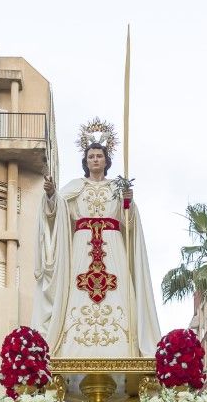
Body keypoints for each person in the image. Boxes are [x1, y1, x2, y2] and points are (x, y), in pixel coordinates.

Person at [34, 128, 161, 358]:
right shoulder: (75, 187)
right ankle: (73, 345)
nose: (95, 159)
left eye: (99, 156)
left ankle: (124, 346)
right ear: (86, 161)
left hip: (112, 245)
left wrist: (128, 203)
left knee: (120, 290)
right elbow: (56, 212)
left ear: (106, 160)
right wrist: (52, 194)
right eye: (91, 156)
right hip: (82, 246)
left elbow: (128, 223)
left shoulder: (116, 188)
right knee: (76, 290)